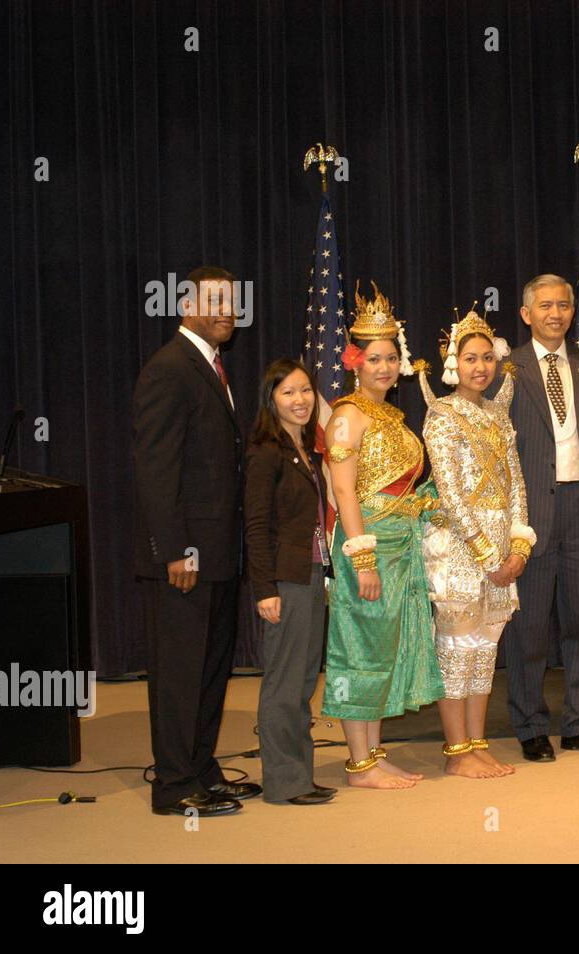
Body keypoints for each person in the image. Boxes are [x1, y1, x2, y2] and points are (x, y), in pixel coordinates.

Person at [133, 265, 260, 817]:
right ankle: (173, 785)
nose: (225, 311)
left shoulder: (211, 366)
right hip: (187, 557)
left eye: (231, 302)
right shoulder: (170, 369)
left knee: (211, 668)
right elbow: (155, 469)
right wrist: (176, 550)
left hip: (219, 554)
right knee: (181, 672)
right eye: (213, 301)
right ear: (185, 304)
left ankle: (202, 769)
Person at [493, 274, 579, 763]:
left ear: (574, 312)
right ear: (526, 314)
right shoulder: (505, 369)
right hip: (528, 514)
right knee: (527, 627)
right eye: (545, 305)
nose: (556, 313)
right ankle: (529, 727)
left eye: (564, 305)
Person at [320, 282, 443, 788]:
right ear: (356, 362)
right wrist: (362, 558)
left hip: (400, 546)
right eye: (375, 359)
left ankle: (372, 753)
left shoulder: (391, 414)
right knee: (359, 651)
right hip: (367, 546)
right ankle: (359, 764)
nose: (386, 367)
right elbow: (344, 493)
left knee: (383, 650)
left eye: (392, 358)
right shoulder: (348, 416)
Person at [421, 307, 532, 778]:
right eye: (470, 359)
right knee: (455, 647)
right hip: (460, 546)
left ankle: (477, 743)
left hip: (502, 547)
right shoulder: (442, 415)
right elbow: (448, 490)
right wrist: (488, 555)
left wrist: (520, 545)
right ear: (453, 363)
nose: (481, 367)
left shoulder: (497, 414)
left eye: (488, 358)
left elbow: (517, 485)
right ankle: (456, 751)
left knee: (486, 646)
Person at [243, 359, 336, 805]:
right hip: (286, 580)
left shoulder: (307, 450)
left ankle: (300, 773)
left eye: (304, 391)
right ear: (271, 400)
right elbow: (256, 526)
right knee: (284, 681)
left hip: (313, 573)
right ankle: (284, 782)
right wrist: (264, 589)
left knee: (302, 681)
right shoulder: (266, 451)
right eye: (287, 393)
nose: (299, 401)